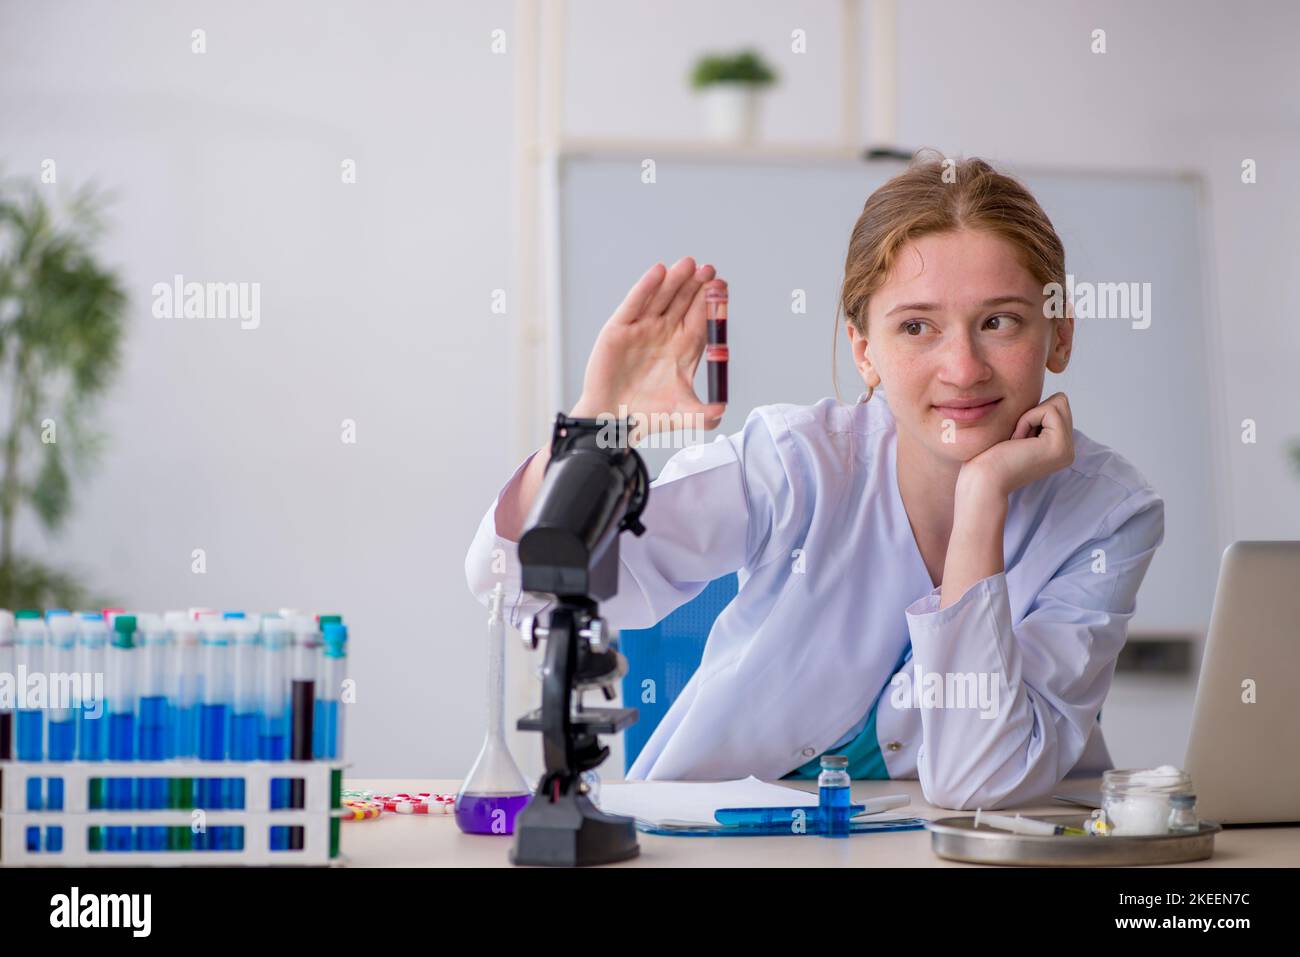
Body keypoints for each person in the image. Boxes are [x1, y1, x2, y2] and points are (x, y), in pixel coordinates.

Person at [464, 153, 1165, 811]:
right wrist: (597, 429)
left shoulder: (1106, 515)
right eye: (917, 326)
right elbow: (515, 578)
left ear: (1060, 335)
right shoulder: (798, 463)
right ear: (866, 351)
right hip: (719, 845)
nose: (963, 366)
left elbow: (979, 778)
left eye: (999, 321)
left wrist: (982, 498)